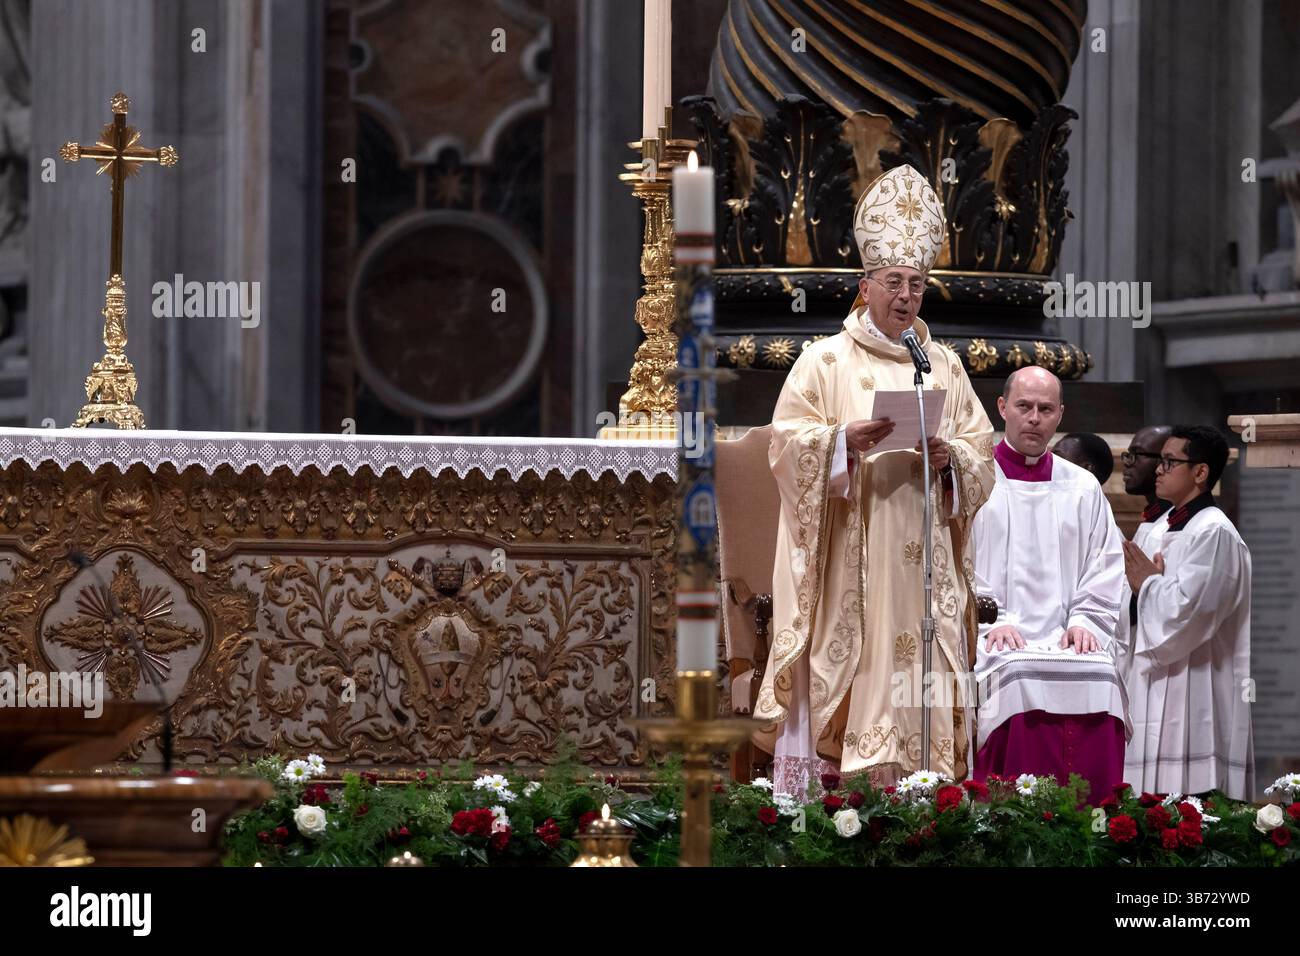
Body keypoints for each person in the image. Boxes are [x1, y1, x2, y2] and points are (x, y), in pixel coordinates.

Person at [755, 164, 995, 796]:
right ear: (866, 285)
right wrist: (840, 443)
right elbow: (783, 446)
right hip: (853, 552)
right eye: (894, 281)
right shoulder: (824, 360)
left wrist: (953, 462)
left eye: (917, 283)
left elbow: (982, 451)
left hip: (924, 551)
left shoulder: (941, 363)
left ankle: (929, 790)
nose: (907, 295)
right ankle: (851, 791)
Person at [972, 367, 1127, 805]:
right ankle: (1009, 816)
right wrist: (991, 619)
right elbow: (952, 562)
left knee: (1103, 677)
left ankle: (1094, 819)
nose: (1034, 418)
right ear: (1002, 409)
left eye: (1045, 409)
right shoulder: (975, 481)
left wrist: (1085, 621)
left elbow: (1104, 562)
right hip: (994, 637)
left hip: (1065, 634)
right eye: (1024, 407)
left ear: (1060, 415)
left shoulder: (1081, 488)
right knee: (1017, 676)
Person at [1120, 425, 1253, 799]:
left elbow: (1186, 617)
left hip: (1196, 685)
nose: (1159, 470)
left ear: (1200, 473)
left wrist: (1148, 584)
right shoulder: (1162, 528)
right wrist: (1142, 588)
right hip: (1155, 681)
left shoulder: (1214, 533)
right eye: (1160, 461)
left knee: (1191, 810)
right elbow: (1133, 608)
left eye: (1170, 461)